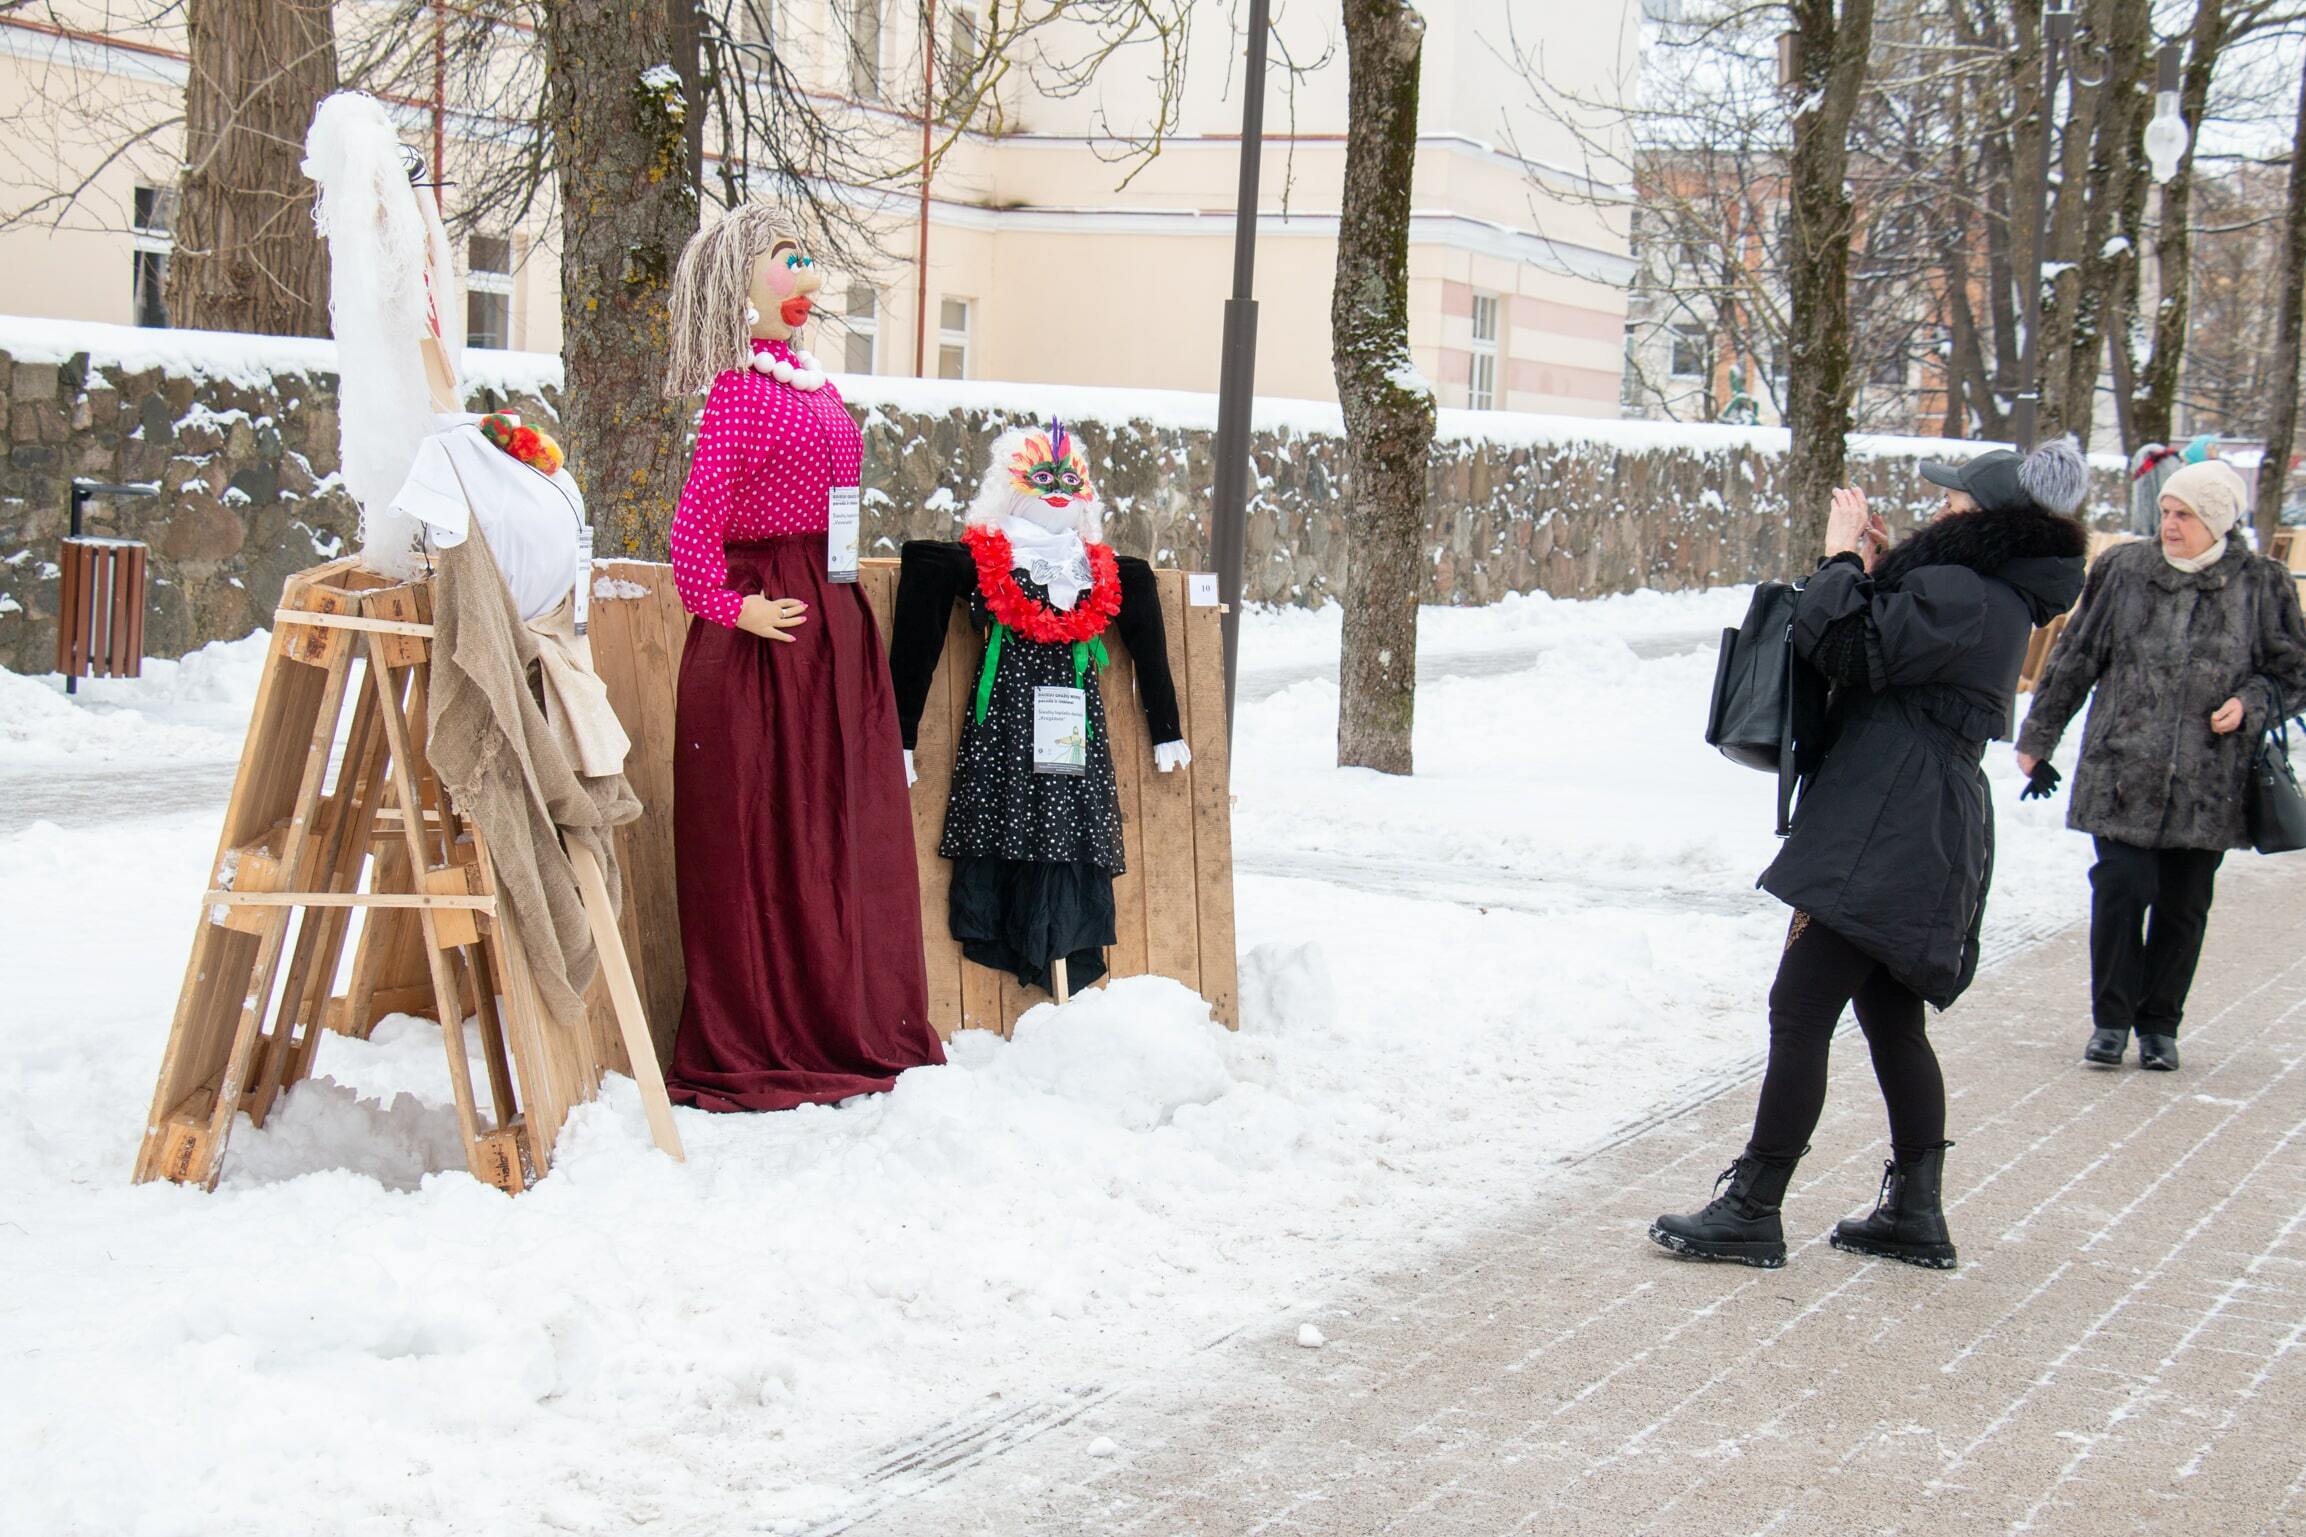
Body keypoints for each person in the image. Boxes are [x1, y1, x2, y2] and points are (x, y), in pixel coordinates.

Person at [1652, 441, 2090, 1271]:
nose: (1941, 507)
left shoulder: (1964, 588)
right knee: (1890, 1016)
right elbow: (1897, 646)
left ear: (1983, 520)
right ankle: (1915, 1212)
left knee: (1800, 1005)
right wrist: (1880, 567)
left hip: (1889, 814)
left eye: (1954, 501)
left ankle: (1754, 1205)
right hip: (1922, 813)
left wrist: (1842, 558)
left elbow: (1845, 647)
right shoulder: (1989, 593)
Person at [656, 205, 946, 1111]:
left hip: (832, 632)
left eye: (808, 259)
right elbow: (690, 540)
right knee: (771, 839)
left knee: (840, 829)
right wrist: (736, 608)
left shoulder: (816, 389)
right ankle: (774, 1022)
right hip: (764, 658)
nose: (809, 280)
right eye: (790, 261)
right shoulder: (737, 394)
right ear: (739, 280)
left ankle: (847, 1010)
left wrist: (841, 605)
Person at [2016, 459, 2306, 1073]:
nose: (2169, 525)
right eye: (2166, 512)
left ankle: (2159, 1025)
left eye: (2185, 516)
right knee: (2121, 889)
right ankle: (2111, 1021)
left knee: (2184, 902)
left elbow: (2292, 674)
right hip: (2122, 768)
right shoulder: (2124, 569)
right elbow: (2076, 655)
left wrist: (2247, 704)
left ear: (2218, 521)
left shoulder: (2261, 583)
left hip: (2210, 781)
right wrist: (2038, 735)